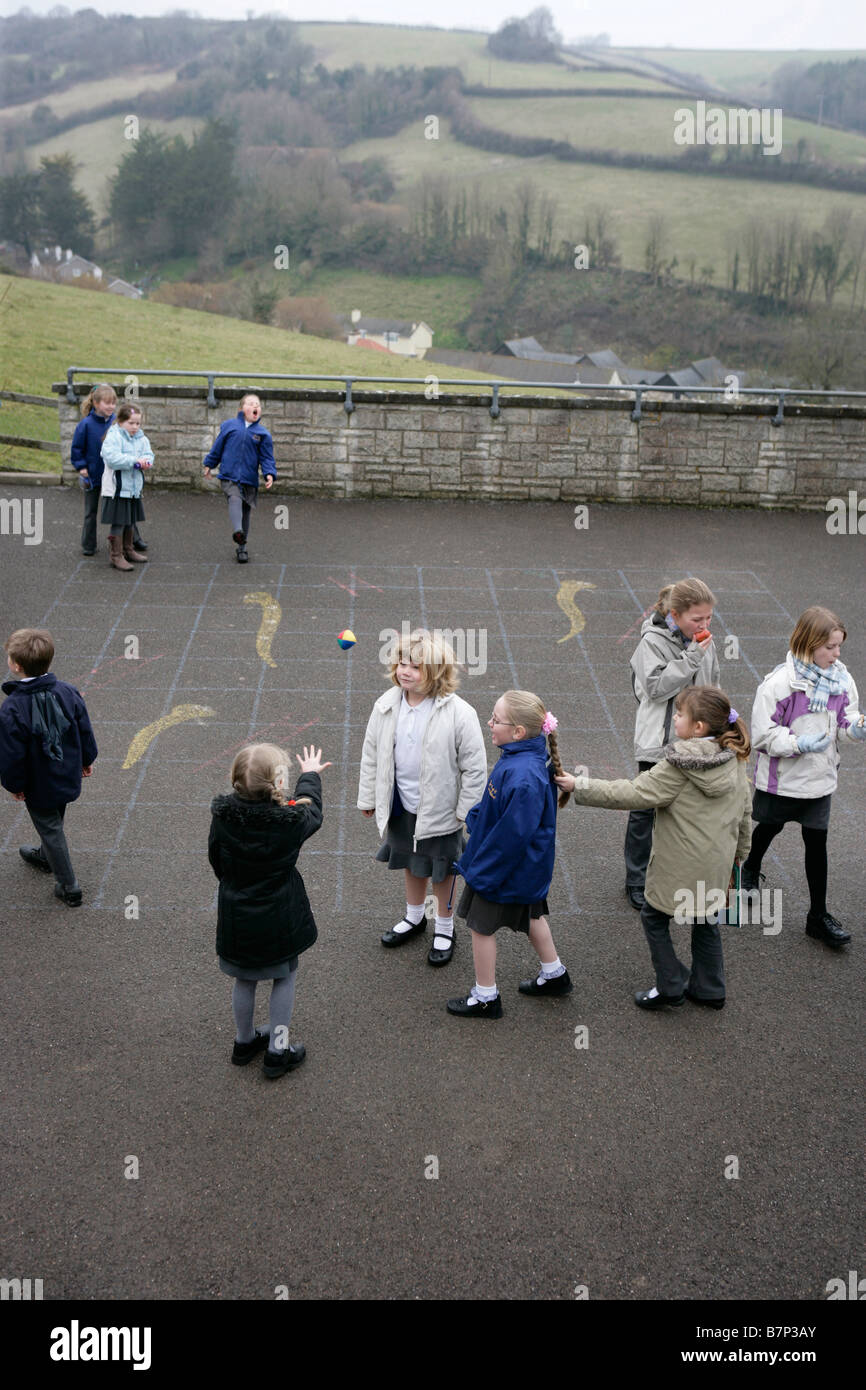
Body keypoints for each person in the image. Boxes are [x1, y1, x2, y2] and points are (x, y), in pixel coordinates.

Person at [557, 686, 751, 1011]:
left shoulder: (680, 765)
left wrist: (580, 785)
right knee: (705, 920)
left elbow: (633, 794)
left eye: (679, 714)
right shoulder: (735, 758)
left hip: (679, 866)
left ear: (698, 727)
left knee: (654, 917)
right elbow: (745, 816)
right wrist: (737, 861)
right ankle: (710, 987)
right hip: (716, 864)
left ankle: (670, 983)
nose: (674, 718)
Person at [358, 629, 487, 967]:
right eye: (401, 663)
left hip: (441, 810)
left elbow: (474, 767)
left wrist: (466, 810)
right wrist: (370, 796)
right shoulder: (386, 705)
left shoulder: (459, 713)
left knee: (442, 871)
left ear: (435, 672)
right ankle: (415, 918)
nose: (405, 671)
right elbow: (372, 753)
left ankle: (444, 928)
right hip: (402, 804)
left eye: (415, 667)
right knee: (411, 863)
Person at [744, 605, 865, 948]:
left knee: (817, 844)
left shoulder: (841, 679)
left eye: (839, 646)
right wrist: (799, 743)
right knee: (769, 826)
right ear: (808, 643)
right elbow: (763, 736)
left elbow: (844, 724)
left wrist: (856, 728)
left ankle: (817, 916)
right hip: (782, 780)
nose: (837, 654)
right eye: (830, 647)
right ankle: (750, 867)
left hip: (818, 780)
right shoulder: (779, 684)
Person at [446, 691, 572, 1018]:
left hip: (504, 870)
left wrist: (481, 873)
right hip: (525, 869)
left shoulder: (523, 774)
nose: (489, 723)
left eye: (496, 719)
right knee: (532, 916)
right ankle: (554, 974)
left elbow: (512, 837)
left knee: (480, 926)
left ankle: (485, 996)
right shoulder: (520, 758)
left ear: (518, 732)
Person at [209, 742, 330, 1079]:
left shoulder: (222, 817)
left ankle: (244, 1041)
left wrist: (236, 886)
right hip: (279, 916)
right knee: (284, 975)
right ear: (278, 785)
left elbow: (216, 859)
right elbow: (312, 812)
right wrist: (309, 777)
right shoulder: (288, 822)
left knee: (244, 979)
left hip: (237, 914)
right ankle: (278, 1050)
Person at [625, 577, 719, 910]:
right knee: (644, 812)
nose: (704, 625)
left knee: (687, 812)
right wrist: (693, 656)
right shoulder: (651, 643)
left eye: (708, 618)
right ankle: (636, 879)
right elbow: (656, 689)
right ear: (675, 614)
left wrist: (723, 723)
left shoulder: (703, 641)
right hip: (658, 744)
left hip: (697, 744)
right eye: (697, 619)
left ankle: (677, 876)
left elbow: (712, 686)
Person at [0, 628, 98, 907]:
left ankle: (69, 885)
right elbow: (84, 730)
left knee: (50, 826)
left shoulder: (13, 708)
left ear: (16, 665)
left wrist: (15, 785)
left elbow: (11, 755)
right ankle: (46, 854)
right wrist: (86, 759)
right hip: (65, 770)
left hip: (38, 781)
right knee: (55, 816)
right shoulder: (67, 691)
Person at [70, 384, 146, 557]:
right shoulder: (85, 425)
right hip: (94, 475)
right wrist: (82, 467)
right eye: (107, 403)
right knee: (91, 512)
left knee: (126, 508)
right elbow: (76, 449)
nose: (111, 406)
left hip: (115, 477)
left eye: (113, 403)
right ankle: (88, 545)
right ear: (96, 404)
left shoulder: (117, 423)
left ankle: (134, 540)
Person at [202, 393, 275, 563]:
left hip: (249, 479)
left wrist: (269, 473)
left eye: (258, 404)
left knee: (246, 512)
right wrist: (209, 464)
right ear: (241, 409)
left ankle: (242, 548)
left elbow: (267, 458)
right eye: (250, 403)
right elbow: (217, 448)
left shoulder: (263, 434)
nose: (255, 406)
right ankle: (237, 531)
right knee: (234, 498)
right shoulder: (229, 426)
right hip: (229, 475)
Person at [100, 402, 153, 571]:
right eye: (131, 423)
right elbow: (112, 458)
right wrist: (134, 462)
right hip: (117, 489)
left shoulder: (141, 438)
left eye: (138, 423)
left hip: (133, 489)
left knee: (130, 520)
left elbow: (148, 454)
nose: (135, 427)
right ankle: (116, 556)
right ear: (121, 421)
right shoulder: (113, 437)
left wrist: (146, 462)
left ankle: (128, 550)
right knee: (119, 522)